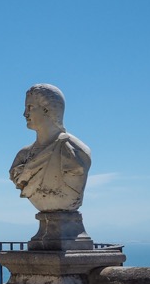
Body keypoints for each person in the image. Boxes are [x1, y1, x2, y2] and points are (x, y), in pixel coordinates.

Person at [9, 84, 91, 213]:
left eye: (30, 107)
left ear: (47, 110)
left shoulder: (73, 151)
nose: (25, 114)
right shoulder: (22, 156)